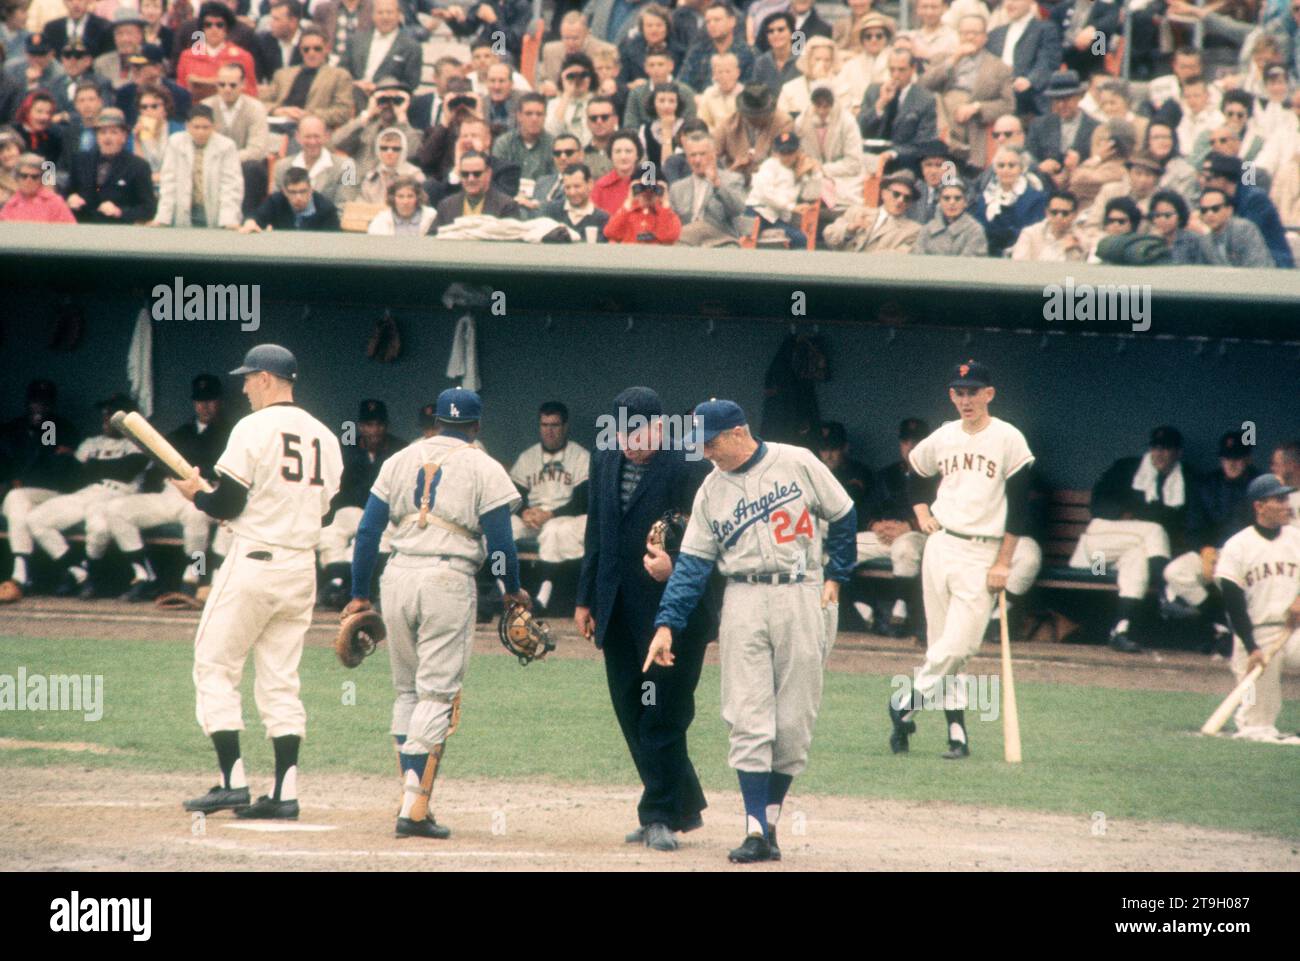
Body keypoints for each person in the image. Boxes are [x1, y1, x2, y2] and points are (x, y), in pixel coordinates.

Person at [646, 398, 855, 864]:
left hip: (804, 591)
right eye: (700, 445)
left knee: (794, 721)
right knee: (746, 714)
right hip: (741, 596)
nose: (707, 453)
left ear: (740, 432)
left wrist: (838, 575)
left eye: (712, 442)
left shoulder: (796, 461)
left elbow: (843, 514)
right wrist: (667, 624)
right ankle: (755, 828)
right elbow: (694, 566)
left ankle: (771, 822)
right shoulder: (710, 490)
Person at [341, 388, 529, 839]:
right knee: (437, 695)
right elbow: (500, 543)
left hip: (397, 575)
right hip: (447, 579)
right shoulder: (484, 464)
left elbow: (366, 533)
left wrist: (358, 594)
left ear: (436, 422)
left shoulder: (400, 458)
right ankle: (414, 809)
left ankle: (411, 793)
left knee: (407, 691)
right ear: (476, 426)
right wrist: (511, 591)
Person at [176, 344, 343, 820]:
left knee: (214, 664)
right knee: (280, 680)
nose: (244, 387)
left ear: (268, 378)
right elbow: (323, 511)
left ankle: (232, 783)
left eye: (249, 378)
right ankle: (285, 793)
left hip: (253, 564)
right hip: (299, 569)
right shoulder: (326, 436)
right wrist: (254, 516)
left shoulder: (252, 428)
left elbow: (226, 502)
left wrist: (197, 496)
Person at [574, 386, 713, 851]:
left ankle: (657, 814)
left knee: (664, 713)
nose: (630, 441)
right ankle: (682, 803)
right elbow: (597, 528)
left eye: (639, 431)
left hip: (670, 611)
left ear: (661, 425)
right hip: (615, 605)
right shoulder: (604, 458)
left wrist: (674, 565)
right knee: (630, 708)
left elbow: (707, 538)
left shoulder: (689, 464)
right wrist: (585, 597)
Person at [888, 359, 1034, 759]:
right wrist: (921, 514)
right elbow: (915, 472)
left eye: (974, 392)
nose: (966, 399)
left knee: (961, 644)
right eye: (959, 392)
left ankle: (907, 701)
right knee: (941, 643)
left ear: (990, 394)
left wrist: (1004, 562)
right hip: (941, 545)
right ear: (952, 395)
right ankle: (957, 735)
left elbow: (1021, 508)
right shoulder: (945, 435)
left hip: (982, 552)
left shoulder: (1008, 438)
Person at [91, 374, 230, 602]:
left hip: (204, 494)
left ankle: (194, 577)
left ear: (220, 402)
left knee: (197, 517)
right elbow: (154, 470)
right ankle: (145, 576)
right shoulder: (181, 433)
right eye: (200, 400)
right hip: (171, 493)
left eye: (210, 400)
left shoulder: (231, 433)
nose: (205, 406)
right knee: (116, 509)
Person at [1070, 426, 1189, 653]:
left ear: (1178, 453)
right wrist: (1122, 514)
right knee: (1153, 530)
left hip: (1129, 548)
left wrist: (1138, 517)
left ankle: (1120, 630)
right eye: (1156, 447)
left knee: (1138, 559)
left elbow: (1178, 521)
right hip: (1096, 555)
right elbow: (1097, 504)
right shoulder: (1127, 468)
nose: (1160, 453)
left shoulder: (1183, 480)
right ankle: (1167, 595)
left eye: (1167, 449)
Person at [26, 393, 150, 599]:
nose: (105, 419)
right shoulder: (91, 443)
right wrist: (93, 468)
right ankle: (79, 573)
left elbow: (126, 470)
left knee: (98, 528)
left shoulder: (138, 442)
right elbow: (74, 475)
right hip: (88, 493)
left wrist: (92, 466)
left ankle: (111, 576)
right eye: (104, 414)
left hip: (119, 497)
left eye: (111, 414)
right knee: (36, 519)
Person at [1214, 474, 1300, 742]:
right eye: (1280, 499)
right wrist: (1251, 647)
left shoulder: (1296, 537)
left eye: (1287, 498)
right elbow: (1233, 603)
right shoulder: (1237, 546)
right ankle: (1250, 720)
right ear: (1259, 506)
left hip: (1292, 630)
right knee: (1258, 728)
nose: (1288, 505)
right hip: (1255, 635)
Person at [1162, 429, 1258, 651]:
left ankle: (1235, 635)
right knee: (1175, 572)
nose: (1232, 463)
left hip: (1244, 555)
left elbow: (1254, 529)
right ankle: (1222, 624)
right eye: (1227, 458)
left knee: (1225, 578)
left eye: (1237, 458)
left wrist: (1224, 553)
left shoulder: (1257, 485)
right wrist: (1205, 550)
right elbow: (1194, 525)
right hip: (1210, 552)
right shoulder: (1207, 483)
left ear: (1248, 459)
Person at [0, 379, 79, 603]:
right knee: (17, 501)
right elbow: (4, 462)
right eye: (35, 402)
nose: (39, 408)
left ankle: (21, 575)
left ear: (52, 405)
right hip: (17, 497)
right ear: (28, 403)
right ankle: (23, 573)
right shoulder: (13, 429)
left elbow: (47, 461)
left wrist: (45, 430)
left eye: (44, 403)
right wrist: (12, 479)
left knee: (18, 498)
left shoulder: (53, 427)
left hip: (49, 495)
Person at [920, 14, 1013, 167]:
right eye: (964, 33)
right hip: (943, 119)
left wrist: (977, 107)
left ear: (984, 37)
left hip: (975, 127)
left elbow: (1008, 105)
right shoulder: (943, 59)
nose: (969, 37)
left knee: (969, 174)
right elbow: (923, 85)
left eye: (975, 33)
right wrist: (954, 59)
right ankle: (948, 169)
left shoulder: (999, 67)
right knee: (948, 176)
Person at [151, 104, 244, 228]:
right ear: (187, 126)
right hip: (183, 211)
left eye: (206, 127)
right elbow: (169, 183)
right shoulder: (175, 142)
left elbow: (231, 186)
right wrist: (162, 218)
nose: (201, 132)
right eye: (196, 127)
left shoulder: (226, 146)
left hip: (214, 212)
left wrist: (229, 220)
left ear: (214, 126)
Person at [1200, 151, 1295, 268]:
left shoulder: (1255, 199)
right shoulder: (1225, 200)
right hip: (1239, 261)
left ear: (1222, 180)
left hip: (1273, 264)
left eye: (1209, 179)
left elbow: (1245, 235)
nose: (1205, 184)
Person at [65, 105, 156, 223]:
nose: (107, 137)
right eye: (103, 132)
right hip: (82, 228)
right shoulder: (80, 160)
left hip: (119, 232)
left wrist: (120, 212)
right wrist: (70, 198)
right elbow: (66, 192)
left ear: (124, 137)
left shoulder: (138, 166)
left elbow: (149, 209)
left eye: (113, 132)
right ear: (97, 136)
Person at [202, 61, 269, 214]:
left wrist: (228, 159)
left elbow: (257, 150)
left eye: (232, 85)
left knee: (253, 168)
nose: (226, 89)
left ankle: (249, 217)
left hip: (243, 165)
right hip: (211, 163)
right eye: (221, 84)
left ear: (243, 84)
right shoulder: (205, 107)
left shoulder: (256, 108)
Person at [262, 25, 356, 131]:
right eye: (306, 49)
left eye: (317, 49)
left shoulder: (339, 75)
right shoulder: (282, 74)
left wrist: (308, 115)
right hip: (278, 126)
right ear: (301, 51)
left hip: (313, 131)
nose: (311, 53)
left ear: (327, 49)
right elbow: (259, 103)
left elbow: (343, 111)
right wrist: (277, 110)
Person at [860, 46, 938, 173]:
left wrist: (894, 153)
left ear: (912, 69)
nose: (896, 75)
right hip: (869, 159)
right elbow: (860, 128)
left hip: (904, 163)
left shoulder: (925, 99)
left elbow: (924, 143)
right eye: (892, 69)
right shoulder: (873, 91)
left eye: (901, 70)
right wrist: (881, 103)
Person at [745, 128, 820, 247]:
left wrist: (815, 172)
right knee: (746, 238)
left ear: (797, 152)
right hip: (758, 211)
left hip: (775, 218)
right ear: (777, 152)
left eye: (790, 152)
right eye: (783, 153)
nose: (787, 156)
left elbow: (812, 194)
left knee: (800, 239)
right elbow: (766, 193)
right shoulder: (770, 165)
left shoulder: (798, 170)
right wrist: (791, 207)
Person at [668, 128, 743, 245]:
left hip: (721, 241)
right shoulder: (677, 189)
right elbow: (671, 224)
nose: (697, 160)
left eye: (702, 154)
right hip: (686, 245)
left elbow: (737, 209)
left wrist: (717, 185)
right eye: (693, 155)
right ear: (687, 158)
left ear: (714, 155)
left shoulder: (731, 180)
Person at [986, 0, 1059, 116]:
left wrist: (1030, 80)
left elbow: (1047, 61)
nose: (1009, 3)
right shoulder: (994, 35)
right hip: (996, 96)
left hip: (1027, 97)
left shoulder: (1045, 29)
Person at [1027, 70, 1097, 191]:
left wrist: (1076, 169)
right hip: (1045, 189)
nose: (1060, 105)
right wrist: (1040, 167)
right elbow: (1027, 158)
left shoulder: (1095, 127)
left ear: (1079, 96)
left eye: (1066, 99)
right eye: (1056, 100)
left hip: (1082, 190)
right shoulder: (1039, 125)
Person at [824, 166, 919, 252]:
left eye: (906, 198)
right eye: (896, 194)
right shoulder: (856, 211)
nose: (900, 200)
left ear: (910, 203)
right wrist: (850, 229)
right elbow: (829, 237)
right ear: (884, 194)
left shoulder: (913, 230)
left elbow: (900, 257)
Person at [340, 0, 422, 97]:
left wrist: (380, 88)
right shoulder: (355, 40)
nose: (385, 17)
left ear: (399, 15)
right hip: (352, 95)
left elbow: (411, 83)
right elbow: (342, 70)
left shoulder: (412, 47)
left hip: (387, 101)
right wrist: (356, 84)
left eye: (389, 12)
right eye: (380, 12)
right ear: (373, 15)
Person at [974, 145, 1046, 256]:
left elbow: (1034, 234)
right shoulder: (985, 198)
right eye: (1001, 165)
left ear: (1022, 168)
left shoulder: (1036, 199)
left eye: (1011, 165)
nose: (1005, 170)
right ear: (995, 169)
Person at [176, 2, 258, 97]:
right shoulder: (187, 56)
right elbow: (181, 92)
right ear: (202, 28)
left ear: (227, 28)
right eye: (208, 25)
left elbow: (251, 92)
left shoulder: (243, 57)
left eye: (219, 25)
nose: (213, 29)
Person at [272, 113, 351, 202]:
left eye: (316, 136)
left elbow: (345, 205)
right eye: (307, 137)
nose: (312, 142)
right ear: (298, 137)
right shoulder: (281, 167)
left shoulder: (348, 166)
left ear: (327, 136)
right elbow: (276, 205)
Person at [679, 2, 754, 95]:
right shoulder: (698, 51)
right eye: (708, 21)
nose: (712, 24)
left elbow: (751, 87)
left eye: (717, 20)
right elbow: (683, 83)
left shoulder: (748, 52)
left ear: (732, 21)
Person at [432, 148, 520, 227]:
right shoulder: (446, 206)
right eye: (465, 174)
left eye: (477, 174)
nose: (471, 179)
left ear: (488, 174)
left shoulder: (506, 206)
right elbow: (432, 239)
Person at [242, 164, 340, 230]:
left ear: (311, 190)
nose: (298, 197)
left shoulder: (327, 209)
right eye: (293, 192)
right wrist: (251, 222)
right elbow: (257, 216)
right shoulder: (276, 201)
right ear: (284, 191)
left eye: (303, 191)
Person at [1196, 186, 1274, 268]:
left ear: (1229, 210)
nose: (1209, 214)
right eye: (1204, 210)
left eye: (1215, 209)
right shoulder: (1205, 241)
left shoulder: (1244, 230)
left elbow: (1258, 265)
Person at [912, 175, 987, 256]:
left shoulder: (975, 230)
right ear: (939, 202)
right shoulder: (927, 230)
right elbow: (918, 261)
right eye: (946, 198)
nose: (952, 202)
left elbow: (970, 264)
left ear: (965, 202)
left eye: (957, 198)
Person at [1010, 187, 1085, 261]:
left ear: (1075, 214)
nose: (1059, 217)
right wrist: (1059, 247)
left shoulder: (1082, 239)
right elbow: (1019, 268)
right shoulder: (1029, 234)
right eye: (1054, 212)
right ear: (1047, 212)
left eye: (1065, 213)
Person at [0, 148, 74, 219]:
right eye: (24, 176)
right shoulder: (10, 205)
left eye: (34, 177)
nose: (28, 180)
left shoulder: (56, 203)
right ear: (17, 178)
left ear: (41, 179)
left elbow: (70, 230)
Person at [605, 175, 681, 242]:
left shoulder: (667, 215)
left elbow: (669, 237)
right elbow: (610, 233)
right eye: (643, 187)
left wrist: (665, 203)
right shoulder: (626, 213)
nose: (647, 192)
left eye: (653, 188)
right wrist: (629, 200)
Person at [1147, 188, 1206, 265]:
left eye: (1167, 215)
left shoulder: (1193, 241)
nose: (1162, 220)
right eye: (1157, 216)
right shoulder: (1150, 243)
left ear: (1180, 216)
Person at [366, 171, 434, 233]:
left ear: (418, 197)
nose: (405, 201)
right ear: (392, 198)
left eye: (410, 196)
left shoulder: (431, 218)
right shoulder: (380, 221)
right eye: (400, 196)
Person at [591, 126, 639, 213]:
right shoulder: (601, 186)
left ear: (637, 155)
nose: (623, 157)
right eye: (617, 151)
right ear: (611, 156)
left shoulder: (648, 184)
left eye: (628, 151)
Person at [695, 49, 740, 141]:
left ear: (737, 73)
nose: (724, 76)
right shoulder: (708, 94)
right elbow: (702, 122)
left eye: (728, 71)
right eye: (720, 72)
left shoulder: (744, 94)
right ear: (714, 75)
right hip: (713, 139)